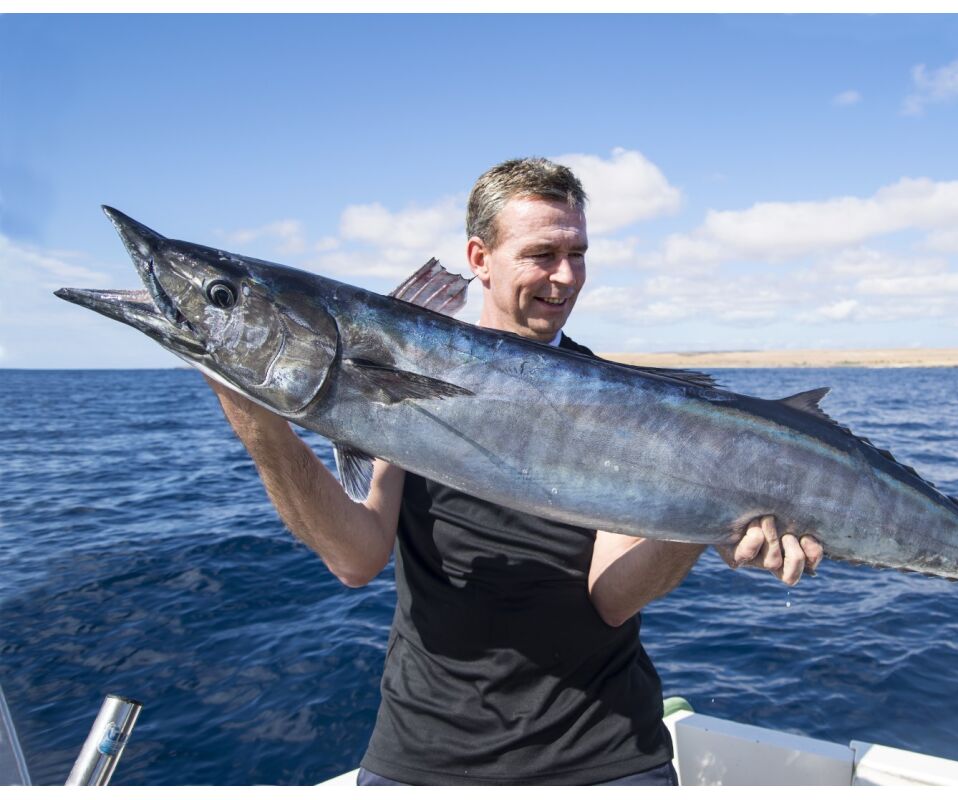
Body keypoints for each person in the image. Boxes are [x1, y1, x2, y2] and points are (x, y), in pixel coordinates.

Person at [205, 157, 823, 785]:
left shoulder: (621, 404)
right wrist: (255, 418)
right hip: (424, 760)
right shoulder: (405, 370)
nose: (565, 277)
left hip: (605, 757)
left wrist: (703, 518)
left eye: (576, 253)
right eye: (541, 254)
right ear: (479, 257)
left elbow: (612, 598)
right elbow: (356, 557)